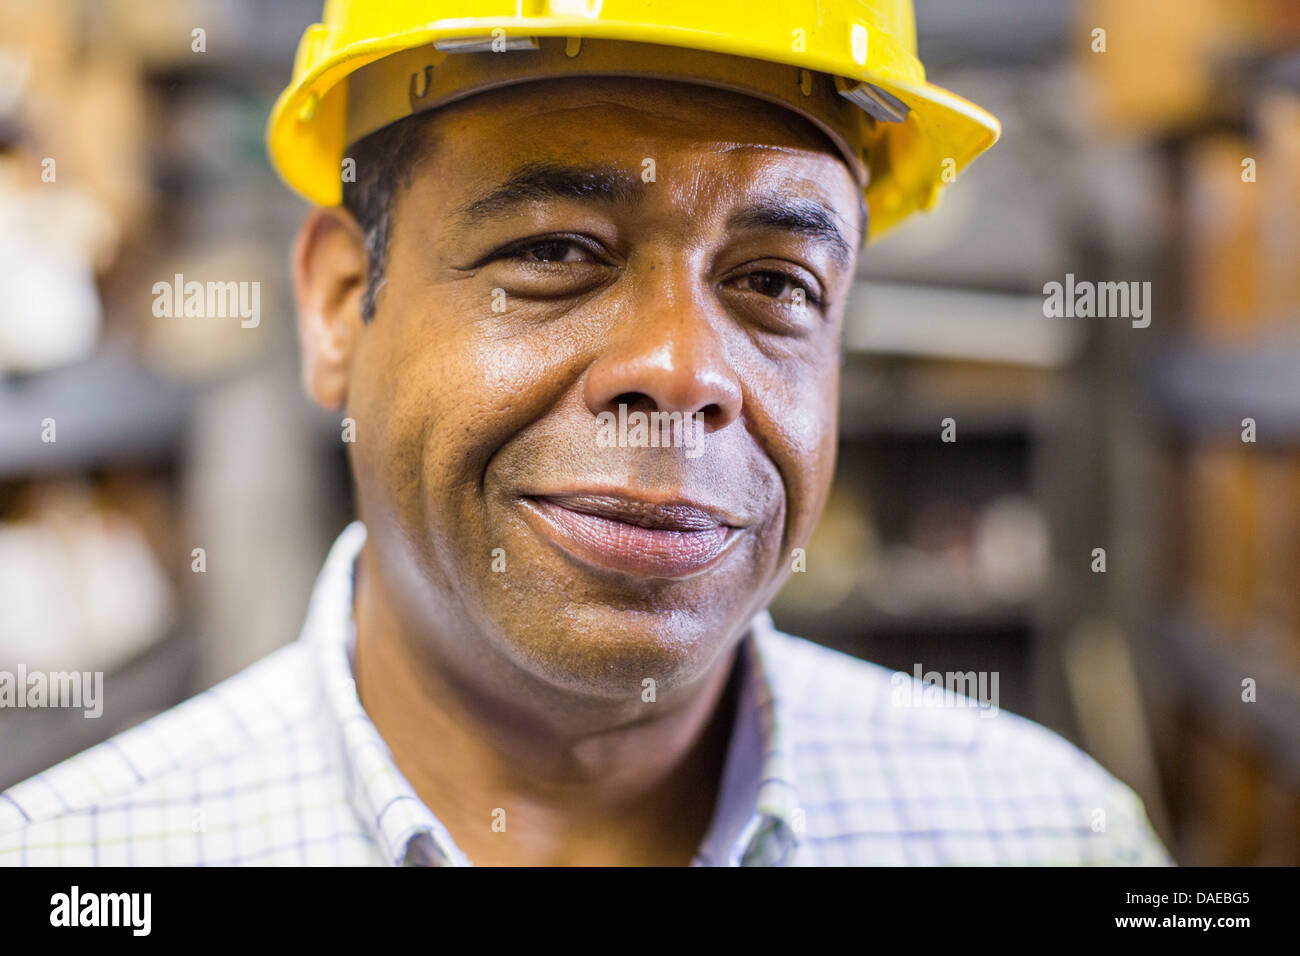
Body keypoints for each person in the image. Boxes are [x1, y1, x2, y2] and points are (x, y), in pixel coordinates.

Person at [0, 0, 1170, 866]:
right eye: (554, 252)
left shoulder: (1052, 835)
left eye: (774, 282)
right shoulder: (83, 861)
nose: (684, 371)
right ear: (337, 304)